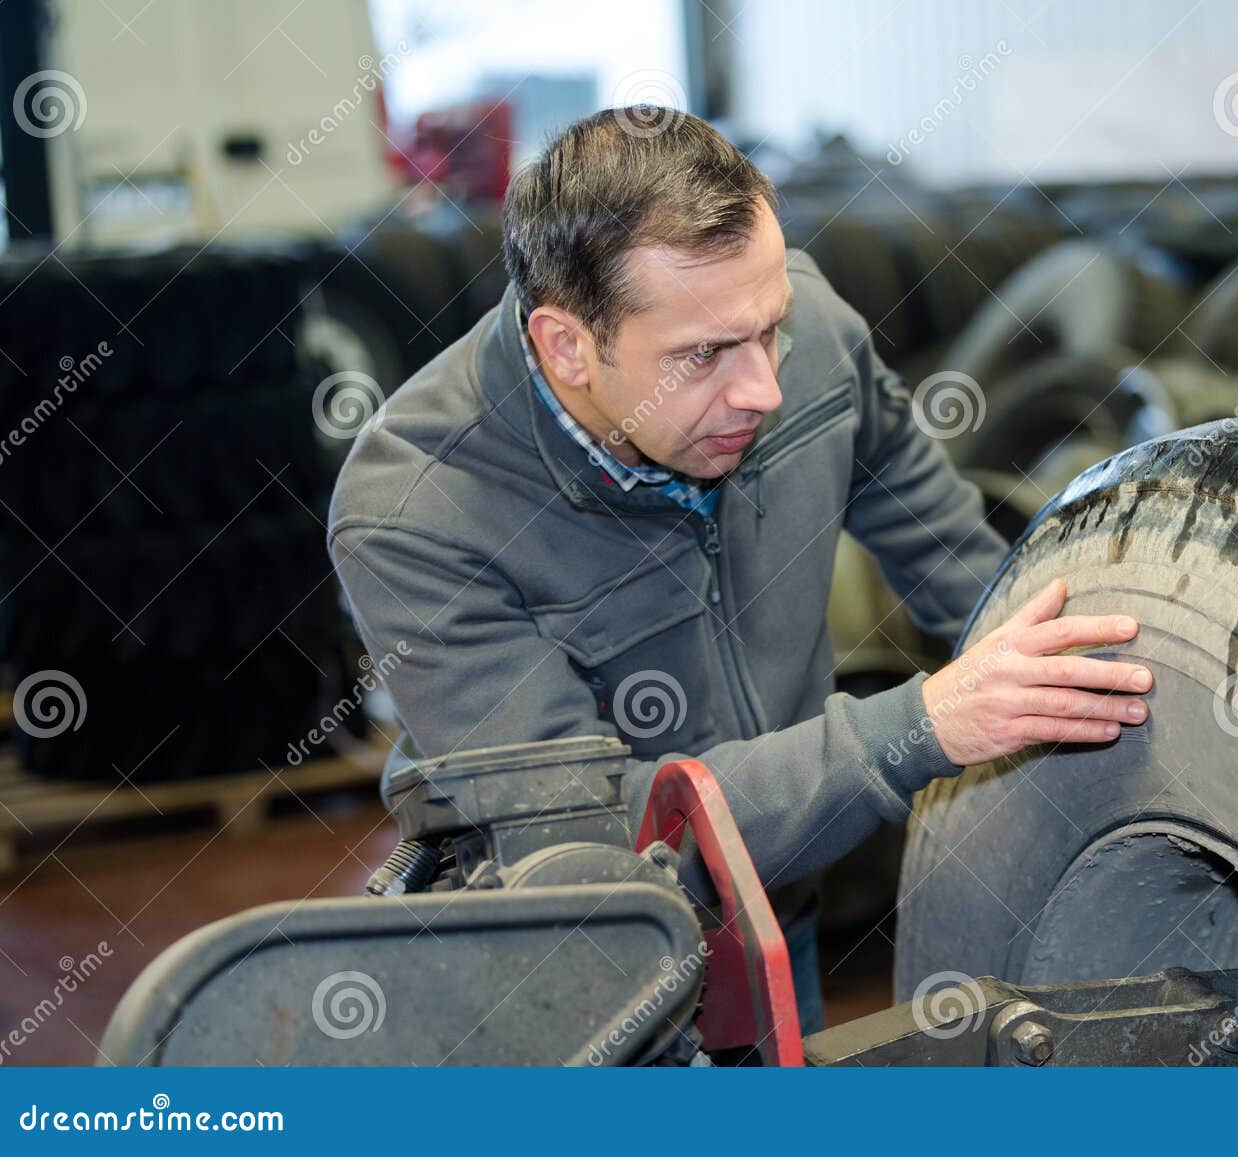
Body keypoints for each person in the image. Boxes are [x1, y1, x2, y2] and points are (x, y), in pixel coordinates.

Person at [327, 107, 1152, 1037]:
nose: (763, 388)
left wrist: (1108, 681)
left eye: (770, 329)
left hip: (774, 911)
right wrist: (920, 726)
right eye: (704, 355)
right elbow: (594, 844)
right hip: (577, 978)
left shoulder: (812, 335)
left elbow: (961, 564)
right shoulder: (416, 511)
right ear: (566, 346)